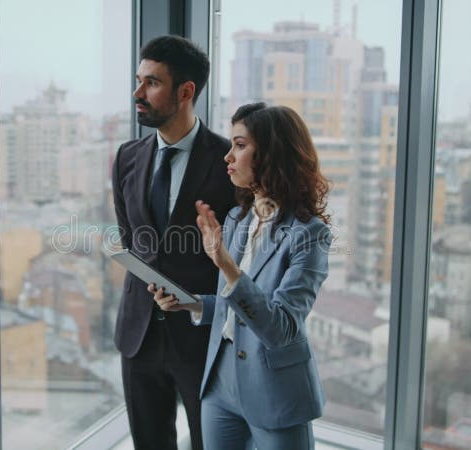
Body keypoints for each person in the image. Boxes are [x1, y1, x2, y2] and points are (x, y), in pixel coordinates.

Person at [151, 102, 332, 449]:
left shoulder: (310, 233)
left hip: (275, 391)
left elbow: (281, 329)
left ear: (271, 154)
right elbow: (231, 306)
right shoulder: (237, 219)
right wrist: (187, 304)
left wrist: (225, 264)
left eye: (240, 144)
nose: (227, 156)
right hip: (220, 384)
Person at [111, 35, 237, 450]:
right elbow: (133, 241)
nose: (137, 93)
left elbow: (241, 257)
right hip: (139, 336)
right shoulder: (127, 157)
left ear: (185, 92)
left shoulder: (227, 162)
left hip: (202, 340)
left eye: (151, 83)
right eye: (137, 80)